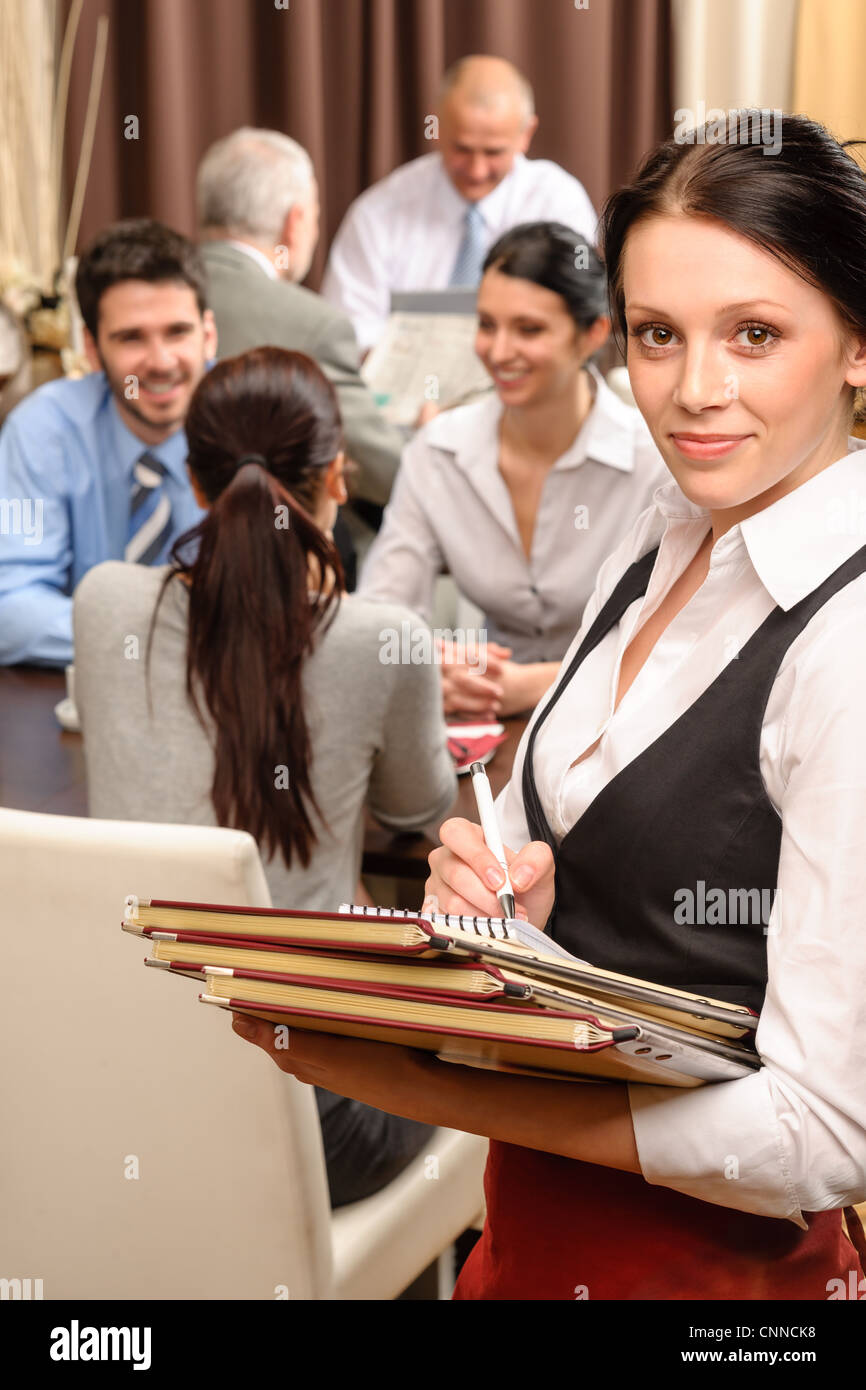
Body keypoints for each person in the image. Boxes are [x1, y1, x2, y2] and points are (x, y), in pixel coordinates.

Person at [231, 111, 866, 1297]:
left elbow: (825, 1131)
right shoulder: (660, 529)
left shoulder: (847, 641)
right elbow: (528, 823)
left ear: (855, 346)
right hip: (524, 1243)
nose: (694, 392)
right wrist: (490, 882)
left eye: (755, 333)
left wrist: (442, 1089)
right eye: (656, 335)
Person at [73, 345, 457, 1207]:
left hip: (115, 1086)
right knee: (482, 1055)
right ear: (337, 478)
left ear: (195, 483)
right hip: (311, 1114)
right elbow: (418, 808)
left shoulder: (101, 602)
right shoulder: (379, 637)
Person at [359, 223, 668, 717]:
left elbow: (679, 643)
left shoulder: (655, 463)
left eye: (528, 330)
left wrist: (536, 684)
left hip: (623, 720)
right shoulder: (438, 453)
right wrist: (432, 665)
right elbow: (382, 615)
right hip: (482, 717)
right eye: (486, 325)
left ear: (592, 333)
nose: (498, 352)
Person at [0, 220, 214, 667]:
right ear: (92, 350)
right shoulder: (42, 431)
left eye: (177, 332)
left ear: (208, 335)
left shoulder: (253, 416)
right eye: (132, 337)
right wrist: (151, 644)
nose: (160, 363)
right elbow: (11, 609)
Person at [196, 127, 406, 574]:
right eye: (314, 215)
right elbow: (384, 472)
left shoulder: (158, 292)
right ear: (294, 222)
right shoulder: (313, 324)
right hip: (280, 566)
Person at [322, 56, 598, 352]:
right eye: (462, 149)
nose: (477, 170)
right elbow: (346, 330)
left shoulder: (558, 202)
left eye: (493, 152)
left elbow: (581, 314)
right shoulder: (380, 212)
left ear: (525, 135)